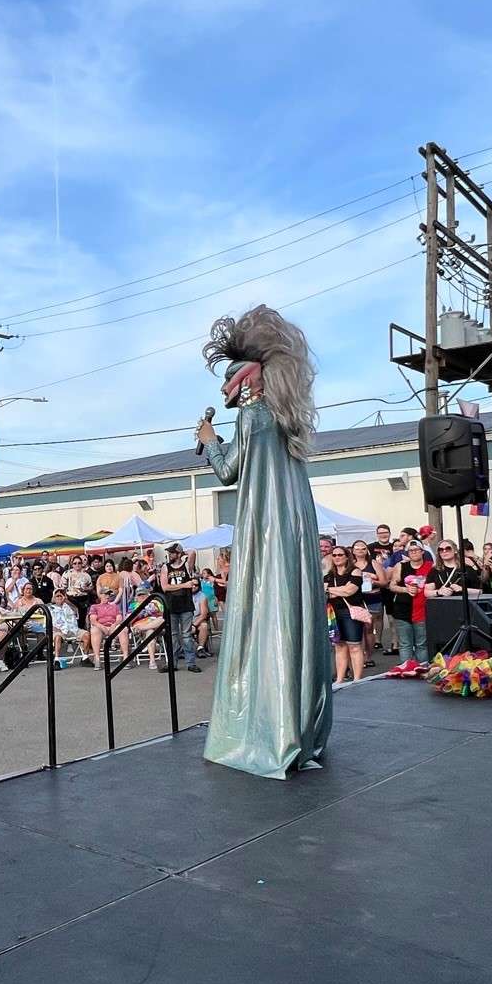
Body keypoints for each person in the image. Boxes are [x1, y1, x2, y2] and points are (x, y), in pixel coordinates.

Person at [194, 306, 332, 777]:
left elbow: (229, 470)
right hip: (291, 524)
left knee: (266, 612)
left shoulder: (253, 416)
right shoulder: (286, 420)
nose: (225, 390)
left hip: (266, 526)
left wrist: (211, 440)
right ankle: (300, 730)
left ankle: (265, 731)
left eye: (230, 380)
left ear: (248, 381)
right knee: (290, 611)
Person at [385, 540, 434, 669]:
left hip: (423, 609)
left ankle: (423, 669)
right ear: (407, 553)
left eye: (417, 550)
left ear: (422, 552)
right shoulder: (401, 566)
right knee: (405, 643)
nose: (414, 552)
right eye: (411, 550)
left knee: (421, 643)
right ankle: (406, 670)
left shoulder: (431, 566)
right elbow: (392, 586)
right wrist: (406, 589)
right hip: (403, 609)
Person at [158, 547, 204, 672]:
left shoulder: (186, 566)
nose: (170, 555)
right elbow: (165, 587)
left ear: (178, 554)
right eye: (169, 553)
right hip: (171, 605)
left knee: (187, 635)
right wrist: (184, 585)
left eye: (172, 553)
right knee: (172, 635)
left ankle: (191, 663)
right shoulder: (166, 568)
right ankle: (172, 663)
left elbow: (193, 552)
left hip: (186, 605)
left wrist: (182, 553)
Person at [323, 543, 363, 683]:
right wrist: (337, 590)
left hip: (350, 613)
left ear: (347, 557)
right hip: (333, 613)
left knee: (354, 645)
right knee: (339, 646)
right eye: (334, 555)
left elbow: (350, 590)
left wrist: (330, 590)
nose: (337, 557)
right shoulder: (329, 575)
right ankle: (339, 679)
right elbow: (325, 593)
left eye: (340, 555)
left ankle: (357, 678)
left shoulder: (355, 571)